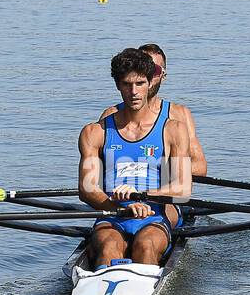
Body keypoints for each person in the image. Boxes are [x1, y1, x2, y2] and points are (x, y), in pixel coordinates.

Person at [78, 48, 192, 268]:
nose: (134, 92)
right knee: (109, 246)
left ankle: (142, 293)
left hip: (154, 217)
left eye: (140, 83)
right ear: (118, 85)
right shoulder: (95, 132)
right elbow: (87, 188)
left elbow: (182, 189)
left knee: (146, 244)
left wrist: (143, 197)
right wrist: (115, 205)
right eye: (127, 84)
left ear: (150, 83)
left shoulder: (173, 130)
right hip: (112, 214)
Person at [97, 43, 206, 177]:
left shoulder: (179, 114)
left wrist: (154, 171)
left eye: (154, 70)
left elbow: (200, 167)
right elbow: (98, 170)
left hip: (162, 194)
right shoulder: (111, 115)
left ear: (163, 75)